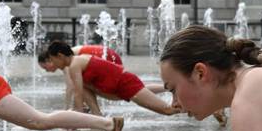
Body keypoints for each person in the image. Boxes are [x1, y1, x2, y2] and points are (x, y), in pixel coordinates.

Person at [38, 42, 177, 117]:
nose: (53, 64)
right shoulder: (76, 65)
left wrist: (76, 116)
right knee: (167, 110)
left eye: (52, 59)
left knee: (167, 110)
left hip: (127, 84)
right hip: (122, 88)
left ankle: (188, 103)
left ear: (60, 56)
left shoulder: (74, 64)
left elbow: (77, 93)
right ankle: (97, 116)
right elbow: (82, 91)